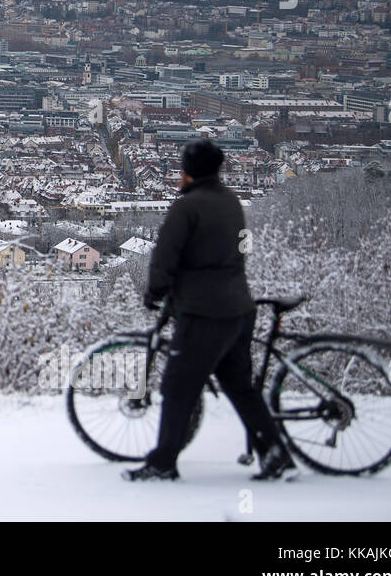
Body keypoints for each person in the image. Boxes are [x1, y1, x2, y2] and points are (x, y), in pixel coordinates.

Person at [124, 138, 296, 482]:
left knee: (177, 387)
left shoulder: (187, 207)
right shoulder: (231, 201)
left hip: (204, 313)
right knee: (240, 387)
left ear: (188, 171)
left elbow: (165, 256)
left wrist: (155, 292)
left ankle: (162, 462)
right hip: (239, 309)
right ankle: (274, 454)